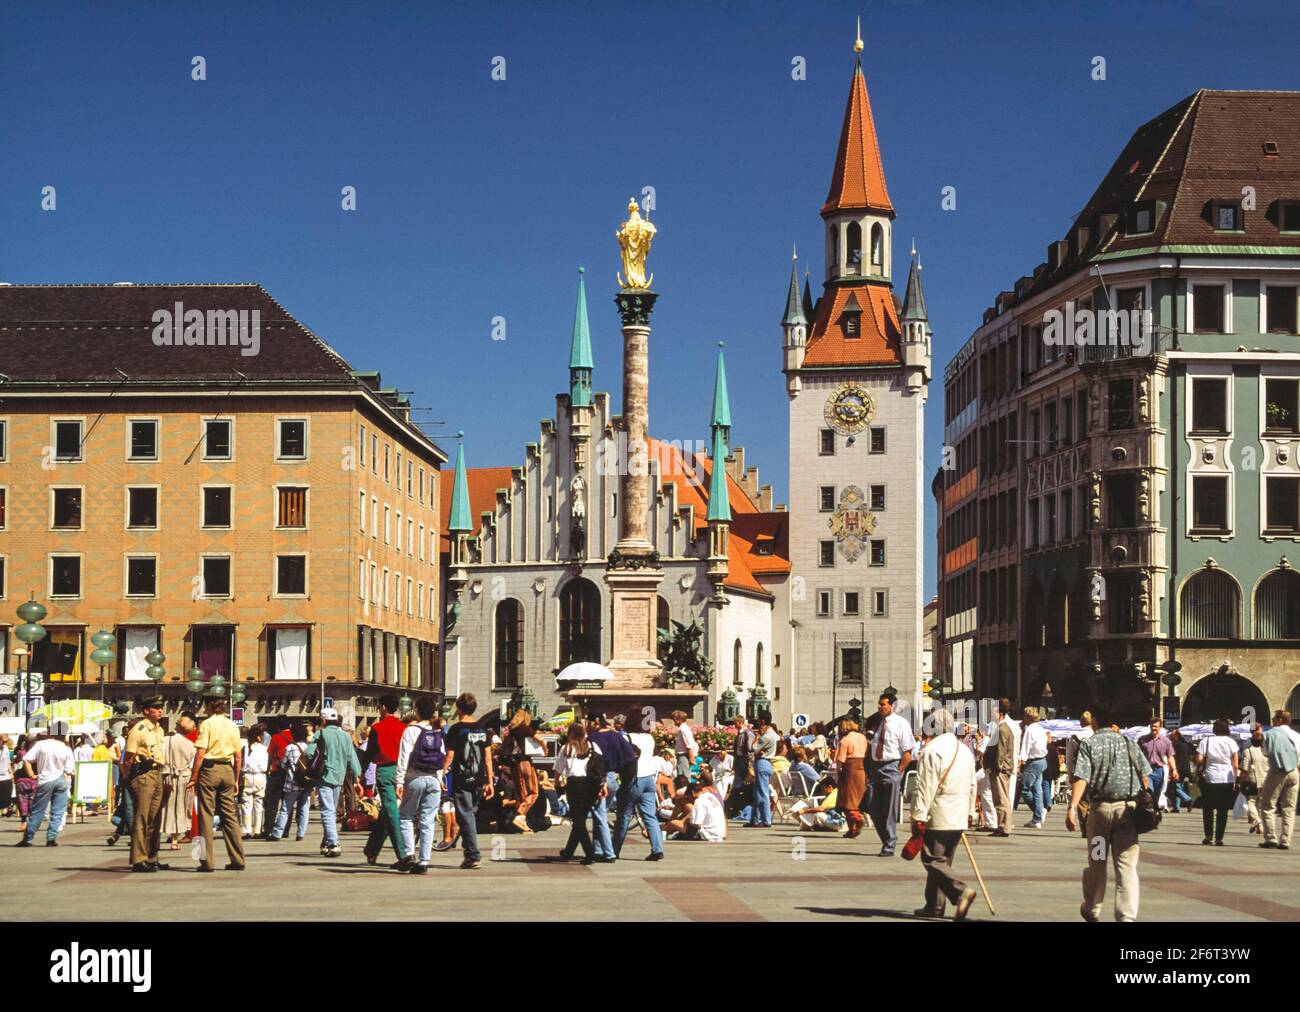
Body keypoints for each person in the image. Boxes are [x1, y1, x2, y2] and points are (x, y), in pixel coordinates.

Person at [1067, 707, 1150, 922]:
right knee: (1126, 866)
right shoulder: (1129, 743)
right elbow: (1145, 777)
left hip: (1100, 814)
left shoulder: (1089, 744)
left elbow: (1081, 778)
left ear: (1094, 721)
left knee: (1097, 860)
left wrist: (1072, 807)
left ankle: (1093, 907)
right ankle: (1126, 917)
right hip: (1127, 814)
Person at [909, 709, 978, 921]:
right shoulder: (964, 750)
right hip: (958, 813)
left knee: (932, 860)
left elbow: (925, 787)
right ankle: (934, 906)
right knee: (943, 862)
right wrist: (970, 811)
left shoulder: (932, 750)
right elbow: (972, 784)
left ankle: (960, 891)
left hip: (938, 811)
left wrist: (918, 815)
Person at [188, 697, 246, 872]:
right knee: (230, 816)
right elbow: (238, 756)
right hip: (227, 770)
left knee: (206, 816)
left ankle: (207, 862)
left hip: (209, 770)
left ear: (209, 707)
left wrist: (194, 776)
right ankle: (238, 859)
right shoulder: (232, 726)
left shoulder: (207, 724)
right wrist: (236, 779)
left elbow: (200, 753)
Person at [443, 692, 493, 870]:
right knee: (468, 815)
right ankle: (469, 854)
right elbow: (488, 758)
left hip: (462, 777)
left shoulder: (456, 730)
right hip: (479, 778)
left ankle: (473, 855)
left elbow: (450, 755)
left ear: (459, 708)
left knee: (466, 816)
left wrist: (441, 773)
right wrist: (490, 782)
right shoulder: (483, 728)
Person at [396, 697, 444, 873]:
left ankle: (409, 854)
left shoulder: (410, 731)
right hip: (433, 780)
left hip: (414, 778)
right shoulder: (437, 731)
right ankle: (424, 861)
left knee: (406, 816)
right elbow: (442, 756)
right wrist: (440, 778)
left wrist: (399, 781)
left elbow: (404, 757)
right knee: (428, 821)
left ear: (416, 711)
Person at [362, 695, 411, 869]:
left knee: (390, 814)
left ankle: (402, 855)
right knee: (389, 812)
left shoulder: (377, 728)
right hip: (402, 771)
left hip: (384, 770)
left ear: (383, 707)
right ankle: (372, 849)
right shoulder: (404, 727)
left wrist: (361, 774)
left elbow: (369, 753)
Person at [613, 705, 665, 862]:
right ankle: (657, 848)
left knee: (624, 816)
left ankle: (614, 850)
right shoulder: (649, 738)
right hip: (649, 780)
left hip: (633, 780)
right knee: (650, 816)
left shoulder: (626, 737)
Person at [121, 698, 168, 871]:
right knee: (142, 817)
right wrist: (128, 777)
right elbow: (128, 758)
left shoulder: (159, 730)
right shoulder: (138, 730)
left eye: (161, 708)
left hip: (157, 774)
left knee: (155, 818)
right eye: (156, 708)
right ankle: (139, 859)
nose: (160, 710)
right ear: (146, 711)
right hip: (143, 775)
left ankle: (152, 856)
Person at [867, 693, 916, 856]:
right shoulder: (877, 722)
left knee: (889, 809)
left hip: (892, 766)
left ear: (892, 706)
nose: (880, 707)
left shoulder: (901, 724)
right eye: (879, 704)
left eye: (883, 705)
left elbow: (908, 751)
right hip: (876, 768)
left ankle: (889, 844)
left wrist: (899, 771)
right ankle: (887, 839)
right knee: (872, 806)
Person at [554, 722, 607, 864]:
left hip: (575, 784)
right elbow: (601, 766)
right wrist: (603, 784)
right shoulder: (592, 746)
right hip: (592, 784)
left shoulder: (567, 748)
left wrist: (557, 782)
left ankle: (589, 854)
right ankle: (568, 852)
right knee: (580, 819)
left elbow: (558, 769)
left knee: (578, 821)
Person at [15, 727, 74, 848]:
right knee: (58, 811)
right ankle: (51, 838)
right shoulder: (66, 748)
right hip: (60, 780)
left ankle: (28, 838)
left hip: (44, 780)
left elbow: (26, 759)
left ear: (50, 732)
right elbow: (69, 770)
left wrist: (32, 775)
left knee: (38, 811)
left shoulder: (41, 744)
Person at [588, 714, 636, 861]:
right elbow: (630, 756)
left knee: (600, 817)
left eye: (588, 722)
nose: (587, 725)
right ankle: (597, 850)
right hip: (614, 778)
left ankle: (609, 852)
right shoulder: (616, 736)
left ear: (596, 722)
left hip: (599, 779)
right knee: (599, 815)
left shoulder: (592, 738)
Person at [315, 708, 361, 857]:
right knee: (331, 810)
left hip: (324, 775)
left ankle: (334, 843)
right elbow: (352, 758)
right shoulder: (346, 736)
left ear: (323, 721)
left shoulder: (320, 734)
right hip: (339, 777)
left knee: (327, 811)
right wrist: (358, 775)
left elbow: (309, 752)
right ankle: (326, 842)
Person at [1259, 709, 1300, 851]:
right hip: (1294, 771)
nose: (1272, 720)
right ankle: (1285, 840)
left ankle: (1271, 838)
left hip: (1277, 772)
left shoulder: (1271, 734)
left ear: (1280, 720)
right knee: (1289, 807)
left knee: (1268, 805)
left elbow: (1265, 752)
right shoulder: (1296, 735)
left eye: (1274, 718)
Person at [1195, 719, 1239, 846]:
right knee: (1223, 810)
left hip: (1210, 778)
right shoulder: (1231, 742)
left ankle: (1208, 835)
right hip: (1227, 778)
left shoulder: (1206, 741)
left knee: (1208, 808)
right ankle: (1219, 838)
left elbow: (1199, 759)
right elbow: (1235, 764)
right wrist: (1235, 779)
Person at [269, 721, 313, 842]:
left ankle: (277, 833)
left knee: (286, 808)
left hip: (293, 782)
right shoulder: (309, 747)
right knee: (304, 808)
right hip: (306, 782)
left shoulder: (290, 748)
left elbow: (283, 764)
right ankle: (300, 833)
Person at [161, 715, 197, 852]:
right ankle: (175, 841)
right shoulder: (189, 744)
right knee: (180, 808)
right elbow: (193, 764)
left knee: (163, 807)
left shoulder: (162, 740)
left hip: (165, 777)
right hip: (183, 778)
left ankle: (156, 839)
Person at [665, 769, 726, 842]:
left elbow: (697, 824)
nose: (691, 801)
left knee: (674, 823)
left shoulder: (699, 801)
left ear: (693, 792)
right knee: (681, 823)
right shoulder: (711, 796)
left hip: (707, 835)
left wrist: (685, 820)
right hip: (719, 834)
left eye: (689, 798)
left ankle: (664, 830)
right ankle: (666, 829)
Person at [986, 698, 1017, 837]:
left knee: (1001, 798)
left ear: (1000, 713)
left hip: (1000, 769)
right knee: (1000, 798)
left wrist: (996, 768)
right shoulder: (1002, 728)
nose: (992, 714)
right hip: (1001, 768)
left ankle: (1004, 826)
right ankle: (1003, 825)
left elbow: (1001, 750)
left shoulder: (1003, 729)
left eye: (994, 711)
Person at [833, 718, 868, 838]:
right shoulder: (862, 737)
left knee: (846, 799)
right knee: (857, 799)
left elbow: (840, 760)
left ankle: (857, 819)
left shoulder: (845, 740)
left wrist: (838, 771)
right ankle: (852, 829)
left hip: (850, 769)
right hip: (863, 768)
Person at [1137, 717, 1178, 814]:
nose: (1153, 728)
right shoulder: (1142, 740)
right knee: (1149, 791)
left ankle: (1154, 811)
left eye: (1156, 727)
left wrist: (1174, 770)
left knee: (1158, 794)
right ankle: (1149, 813)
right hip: (1147, 770)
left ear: (1160, 728)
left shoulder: (1166, 741)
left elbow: (1170, 757)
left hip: (1160, 770)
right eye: (1152, 726)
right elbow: (1137, 755)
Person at [1017, 706, 1049, 828]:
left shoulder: (1030, 730)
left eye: (1024, 716)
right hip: (1042, 760)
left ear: (1028, 717)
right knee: (1037, 790)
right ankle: (1037, 819)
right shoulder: (1041, 729)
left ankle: (1039, 812)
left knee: (1024, 789)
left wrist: (1021, 761)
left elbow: (1025, 747)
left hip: (1033, 761)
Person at [262, 717, 293, 838]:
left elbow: (270, 754)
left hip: (276, 772)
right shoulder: (293, 736)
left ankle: (268, 828)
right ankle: (285, 829)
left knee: (271, 802)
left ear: (278, 727)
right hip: (290, 773)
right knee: (287, 803)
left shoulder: (276, 737)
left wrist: (268, 768)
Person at [1239, 725, 1269, 835]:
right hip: (1265, 780)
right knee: (1260, 803)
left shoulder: (1248, 751)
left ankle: (1258, 822)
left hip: (1251, 780)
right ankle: (1258, 826)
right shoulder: (1266, 752)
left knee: (1250, 802)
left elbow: (1244, 768)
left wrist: (1240, 780)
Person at [241, 725, 269, 839]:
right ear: (259, 736)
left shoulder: (245, 748)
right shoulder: (264, 749)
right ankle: (257, 829)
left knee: (246, 803)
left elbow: (242, 765)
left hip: (247, 775)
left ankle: (247, 830)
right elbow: (265, 766)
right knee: (259, 803)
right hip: (260, 776)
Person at [1168, 729, 1195, 813]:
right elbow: (1193, 754)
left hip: (1177, 769)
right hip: (1186, 769)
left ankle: (1188, 799)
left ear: (1175, 736)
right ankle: (1177, 807)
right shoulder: (1186, 745)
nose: (1170, 737)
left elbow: (1171, 757)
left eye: (1171, 736)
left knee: (1173, 787)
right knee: (1179, 786)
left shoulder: (1173, 745)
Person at [672, 710, 697, 778]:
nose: (673, 721)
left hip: (683, 755)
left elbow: (688, 744)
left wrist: (691, 757)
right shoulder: (683, 728)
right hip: (683, 755)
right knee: (682, 775)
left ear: (679, 719)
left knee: (683, 776)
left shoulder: (683, 729)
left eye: (674, 719)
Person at [0, 735, 13, 816]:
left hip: (5, 775)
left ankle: (4, 810)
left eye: (5, 742)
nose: (4, 743)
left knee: (6, 794)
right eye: (3, 741)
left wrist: (11, 772)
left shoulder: (6, 749)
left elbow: (8, 762)